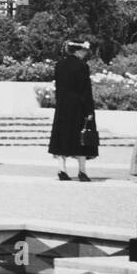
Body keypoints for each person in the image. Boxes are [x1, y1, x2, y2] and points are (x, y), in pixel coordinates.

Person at [49, 38, 98, 181]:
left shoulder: (59, 65)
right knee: (81, 139)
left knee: (62, 137)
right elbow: (85, 91)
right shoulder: (82, 66)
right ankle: (82, 171)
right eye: (83, 50)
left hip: (63, 106)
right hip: (79, 106)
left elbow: (58, 88)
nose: (85, 53)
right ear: (78, 50)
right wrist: (89, 110)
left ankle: (61, 169)